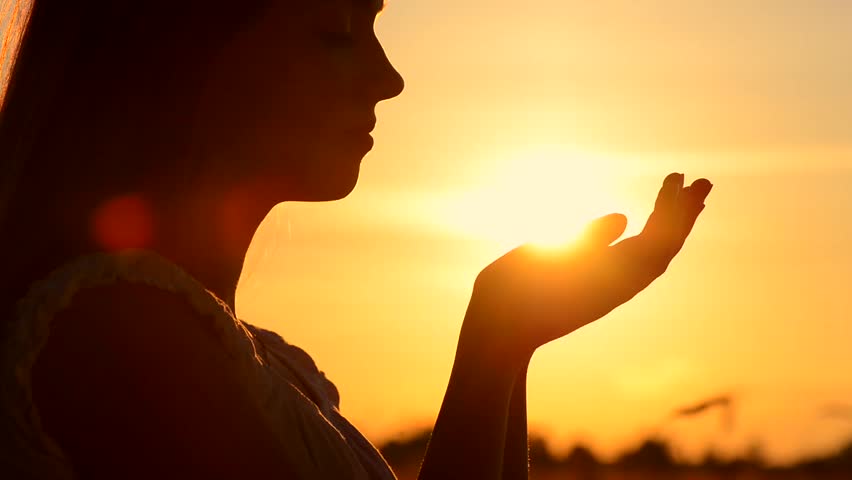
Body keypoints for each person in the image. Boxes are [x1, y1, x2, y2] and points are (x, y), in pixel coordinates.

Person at [0, 0, 712, 479]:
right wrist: (495, 337)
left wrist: (508, 338)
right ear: (182, 50)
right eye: (337, 29)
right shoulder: (122, 336)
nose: (388, 78)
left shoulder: (231, 350)